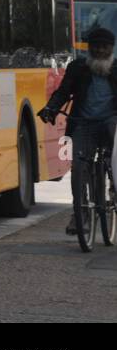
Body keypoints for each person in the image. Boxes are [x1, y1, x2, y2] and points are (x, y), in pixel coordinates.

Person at [39, 27, 117, 235]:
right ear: (89, 49)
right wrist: (51, 108)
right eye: (96, 47)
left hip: (110, 122)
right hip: (82, 122)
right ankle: (80, 215)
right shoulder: (78, 68)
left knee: (114, 158)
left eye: (105, 47)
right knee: (79, 167)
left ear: (111, 48)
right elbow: (64, 92)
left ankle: (113, 189)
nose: (100, 51)